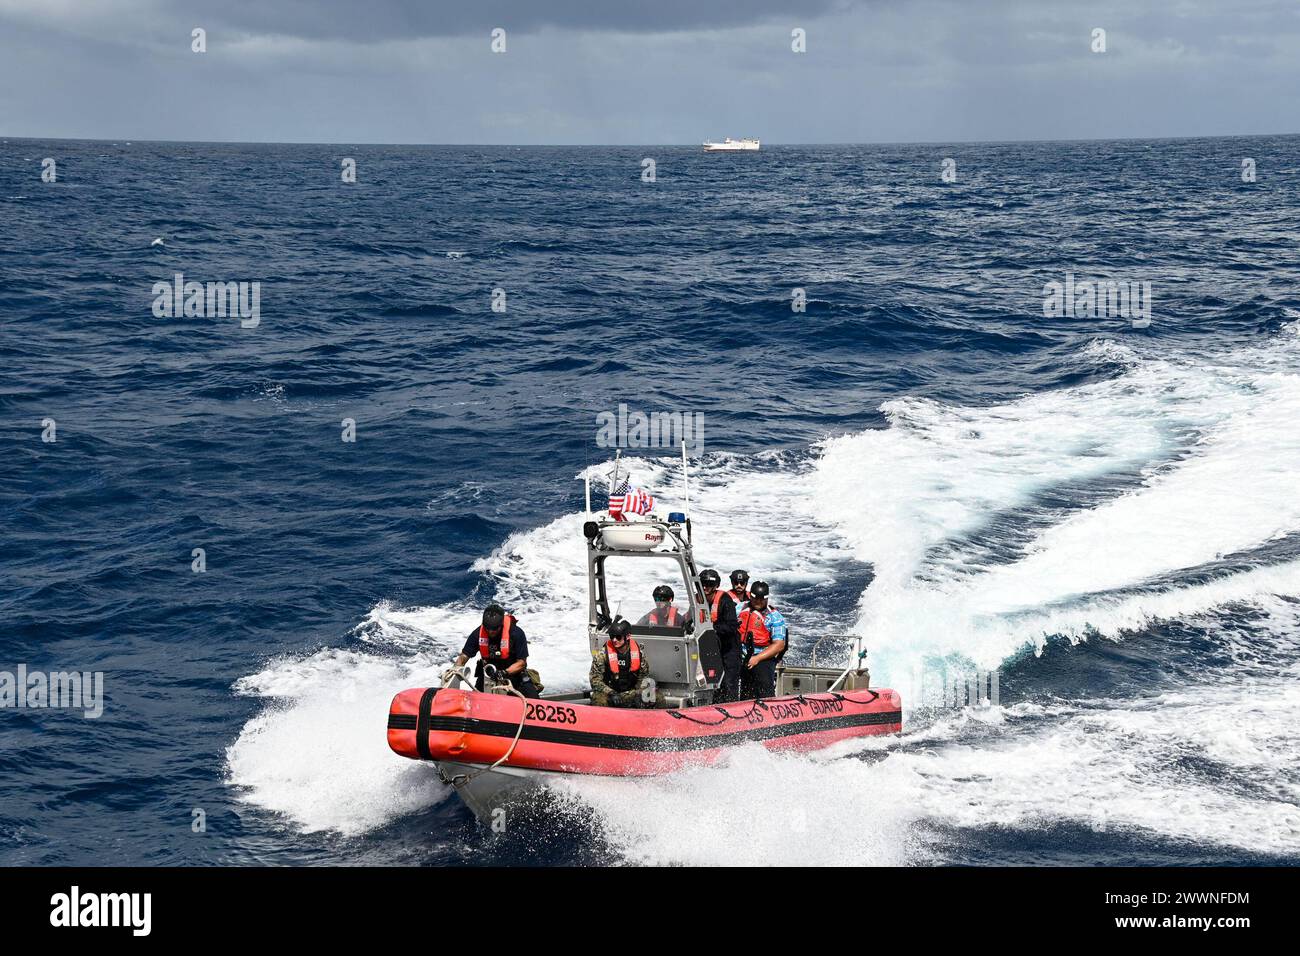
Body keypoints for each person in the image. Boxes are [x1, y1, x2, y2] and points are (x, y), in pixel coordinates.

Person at [454, 604, 541, 698]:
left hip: (514, 677)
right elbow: (464, 656)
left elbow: (521, 663)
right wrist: (455, 669)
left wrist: (503, 673)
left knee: (534, 701)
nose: (491, 632)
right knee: (474, 701)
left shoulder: (516, 634)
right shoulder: (477, 634)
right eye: (488, 628)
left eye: (495, 629)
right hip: (488, 677)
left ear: (501, 625)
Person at [737, 581, 787, 700]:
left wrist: (757, 658)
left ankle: (768, 709)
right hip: (741, 655)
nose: (758, 601)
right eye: (755, 598)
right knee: (743, 690)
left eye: (761, 599)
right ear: (750, 596)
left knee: (764, 687)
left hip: (762, 658)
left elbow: (779, 645)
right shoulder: (740, 608)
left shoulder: (774, 617)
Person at [590, 619, 657, 708]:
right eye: (612, 636)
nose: (614, 640)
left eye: (618, 637)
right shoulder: (602, 655)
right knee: (599, 699)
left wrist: (639, 693)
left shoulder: (639, 654)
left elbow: (643, 677)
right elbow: (595, 680)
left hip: (630, 693)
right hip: (610, 693)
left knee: (656, 697)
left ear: (628, 636)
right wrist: (611, 693)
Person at [699, 568, 741, 702]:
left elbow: (731, 626)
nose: (705, 587)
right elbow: (691, 619)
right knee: (711, 684)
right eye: (703, 584)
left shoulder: (725, 600)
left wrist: (712, 628)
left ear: (716, 586)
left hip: (728, 651)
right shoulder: (697, 600)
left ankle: (732, 710)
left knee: (728, 684)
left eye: (709, 585)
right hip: (709, 650)